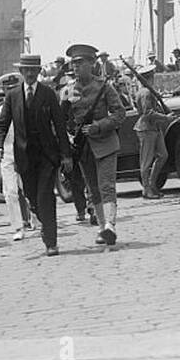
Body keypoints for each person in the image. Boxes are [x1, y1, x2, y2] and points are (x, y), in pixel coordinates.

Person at [0, 54, 73, 256]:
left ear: (38, 72)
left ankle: (51, 242)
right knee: (31, 197)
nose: (29, 73)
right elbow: (2, 124)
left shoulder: (48, 94)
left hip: (47, 155)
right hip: (24, 157)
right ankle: (44, 221)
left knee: (45, 195)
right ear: (21, 72)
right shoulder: (12, 96)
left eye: (33, 70)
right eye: (26, 70)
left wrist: (66, 155)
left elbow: (60, 126)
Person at [61, 43, 127, 246]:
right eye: (73, 63)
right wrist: (69, 135)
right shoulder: (67, 91)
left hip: (105, 143)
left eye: (80, 63)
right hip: (83, 147)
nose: (75, 67)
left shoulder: (104, 86)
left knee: (107, 186)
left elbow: (119, 113)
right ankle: (101, 228)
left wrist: (98, 126)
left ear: (92, 63)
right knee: (93, 189)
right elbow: (61, 120)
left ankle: (110, 225)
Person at [0, 72, 36, 241]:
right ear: (3, 90)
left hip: (25, 151)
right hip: (7, 153)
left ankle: (36, 218)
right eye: (7, 89)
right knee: (10, 191)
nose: (10, 92)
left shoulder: (26, 105)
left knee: (29, 188)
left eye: (14, 88)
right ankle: (18, 226)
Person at [134, 62, 172, 199]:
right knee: (146, 161)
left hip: (154, 128)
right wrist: (165, 118)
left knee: (163, 155)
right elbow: (148, 112)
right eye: (152, 76)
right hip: (146, 128)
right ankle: (146, 189)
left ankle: (152, 184)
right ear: (149, 78)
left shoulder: (148, 91)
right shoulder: (145, 93)